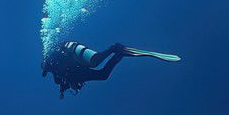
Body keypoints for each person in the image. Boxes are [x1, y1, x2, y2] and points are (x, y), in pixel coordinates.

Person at [42, 41, 181, 98]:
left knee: (96, 64)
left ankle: (114, 48)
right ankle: (119, 53)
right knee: (102, 73)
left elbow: (59, 80)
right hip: (77, 71)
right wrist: (62, 91)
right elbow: (61, 82)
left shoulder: (57, 72)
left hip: (76, 73)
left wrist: (62, 90)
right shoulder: (57, 71)